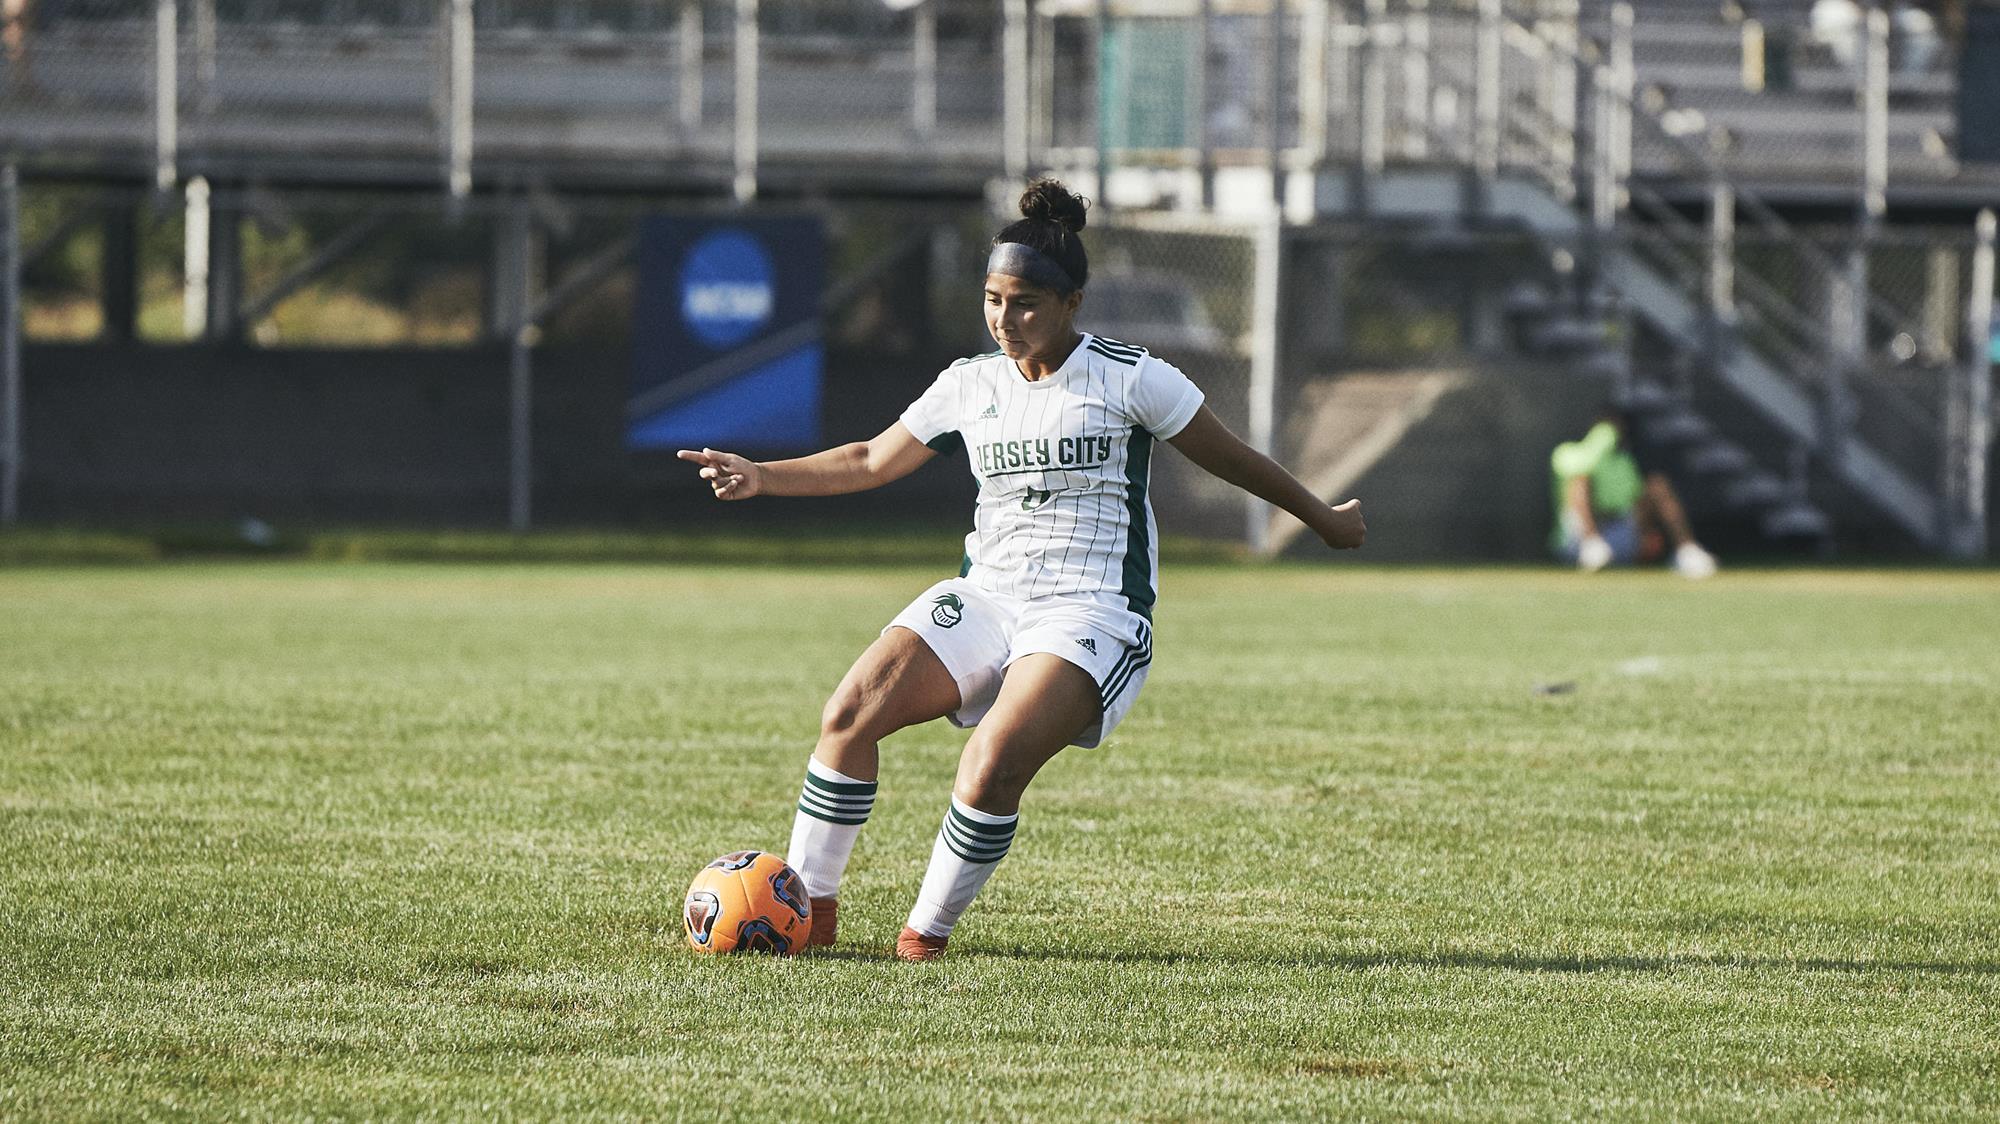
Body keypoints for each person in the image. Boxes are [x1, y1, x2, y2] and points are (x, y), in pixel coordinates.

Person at [677, 180, 1366, 961]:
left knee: (991, 763)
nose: (1005, 319)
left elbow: (1234, 458)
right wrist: (762, 474)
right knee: (847, 716)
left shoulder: (1132, 377)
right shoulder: (972, 383)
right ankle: (808, 913)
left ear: (1072, 303)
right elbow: (871, 457)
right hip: (988, 596)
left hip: (1093, 610)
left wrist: (1322, 517)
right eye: (993, 299)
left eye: (1027, 303)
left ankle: (921, 941)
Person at [1550, 410, 1718, 578]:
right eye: (1606, 426)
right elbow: (1582, 471)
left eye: (1616, 426)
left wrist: (1646, 532)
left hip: (1618, 534)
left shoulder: (1626, 462)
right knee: (1580, 483)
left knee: (1656, 486)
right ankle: (1591, 545)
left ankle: (1687, 552)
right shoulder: (1566, 452)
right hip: (1576, 540)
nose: (1612, 431)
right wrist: (1601, 440)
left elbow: (1635, 502)